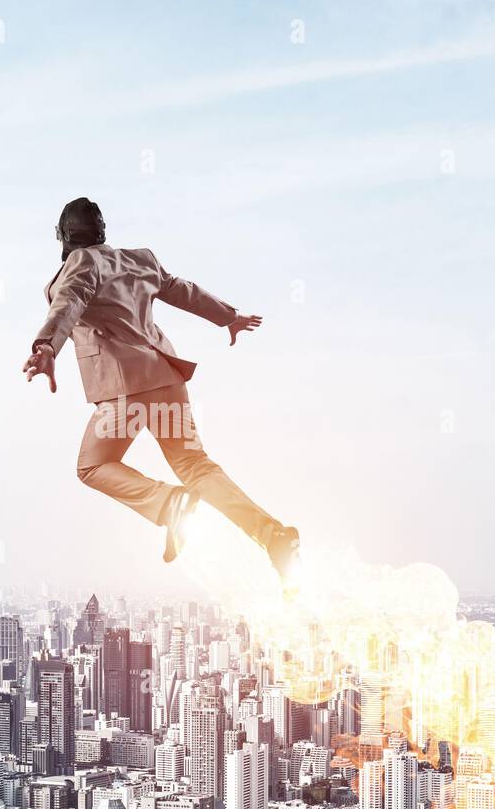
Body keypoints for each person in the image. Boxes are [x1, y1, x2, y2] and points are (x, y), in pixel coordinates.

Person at [23, 197, 299, 585]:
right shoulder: (141, 259)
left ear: (64, 236)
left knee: (92, 466)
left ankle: (169, 504)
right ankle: (274, 537)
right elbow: (182, 290)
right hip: (166, 379)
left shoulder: (82, 263)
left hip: (124, 390)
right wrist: (229, 317)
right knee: (196, 466)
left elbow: (69, 302)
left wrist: (46, 346)